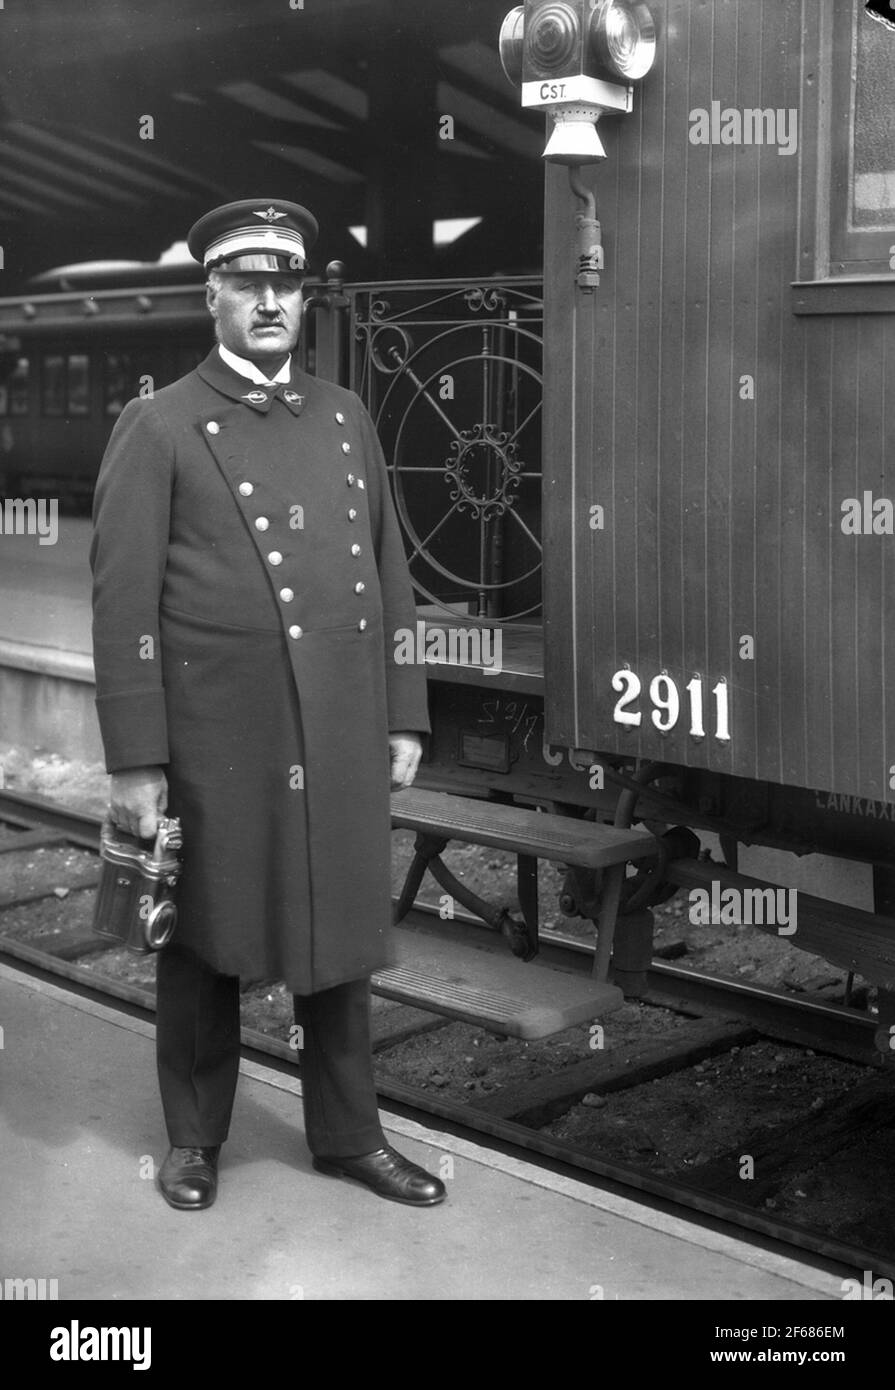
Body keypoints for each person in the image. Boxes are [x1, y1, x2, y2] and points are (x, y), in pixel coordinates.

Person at [90, 198, 445, 1211]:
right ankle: (195, 1140)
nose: (268, 301)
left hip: (335, 725)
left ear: (304, 296)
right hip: (216, 738)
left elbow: (389, 572)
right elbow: (122, 602)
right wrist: (135, 761)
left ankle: (350, 1136)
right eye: (247, 284)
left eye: (284, 283)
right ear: (213, 295)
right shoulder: (158, 423)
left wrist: (403, 712)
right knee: (205, 939)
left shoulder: (343, 417)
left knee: (338, 934)